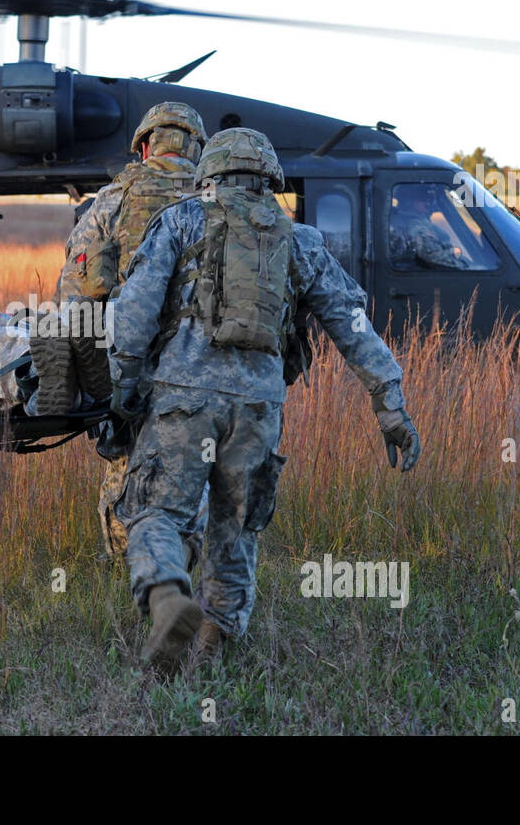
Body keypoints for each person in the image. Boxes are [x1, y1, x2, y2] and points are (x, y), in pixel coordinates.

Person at [107, 127, 421, 674]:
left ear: (211, 173)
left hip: (184, 400)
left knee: (154, 512)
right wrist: (388, 403)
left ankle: (166, 599)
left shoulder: (180, 221)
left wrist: (123, 392)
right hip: (259, 409)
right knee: (236, 528)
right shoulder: (299, 241)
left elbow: (131, 316)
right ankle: (211, 650)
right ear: (269, 178)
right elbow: (351, 324)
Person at [48, 101, 209, 559]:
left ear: (143, 145)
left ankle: (125, 578)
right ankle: (186, 577)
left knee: (124, 468)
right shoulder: (219, 200)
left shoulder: (114, 198)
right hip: (205, 365)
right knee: (195, 473)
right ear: (196, 147)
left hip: (129, 360)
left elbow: (77, 293)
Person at [387, 184, 468, 270]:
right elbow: (432, 256)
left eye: (430, 198)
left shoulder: (414, 221)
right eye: (422, 198)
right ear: (409, 200)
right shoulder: (415, 225)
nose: (428, 202)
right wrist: (457, 258)